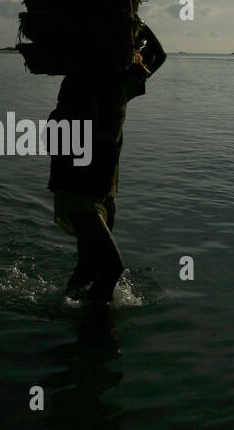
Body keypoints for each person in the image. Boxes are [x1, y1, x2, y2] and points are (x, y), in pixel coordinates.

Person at [48, 22, 165, 302]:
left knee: (89, 267)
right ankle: (96, 326)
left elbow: (158, 56)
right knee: (112, 267)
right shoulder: (81, 82)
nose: (135, 55)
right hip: (77, 188)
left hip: (104, 188)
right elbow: (56, 132)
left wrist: (133, 21)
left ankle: (70, 307)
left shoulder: (124, 83)